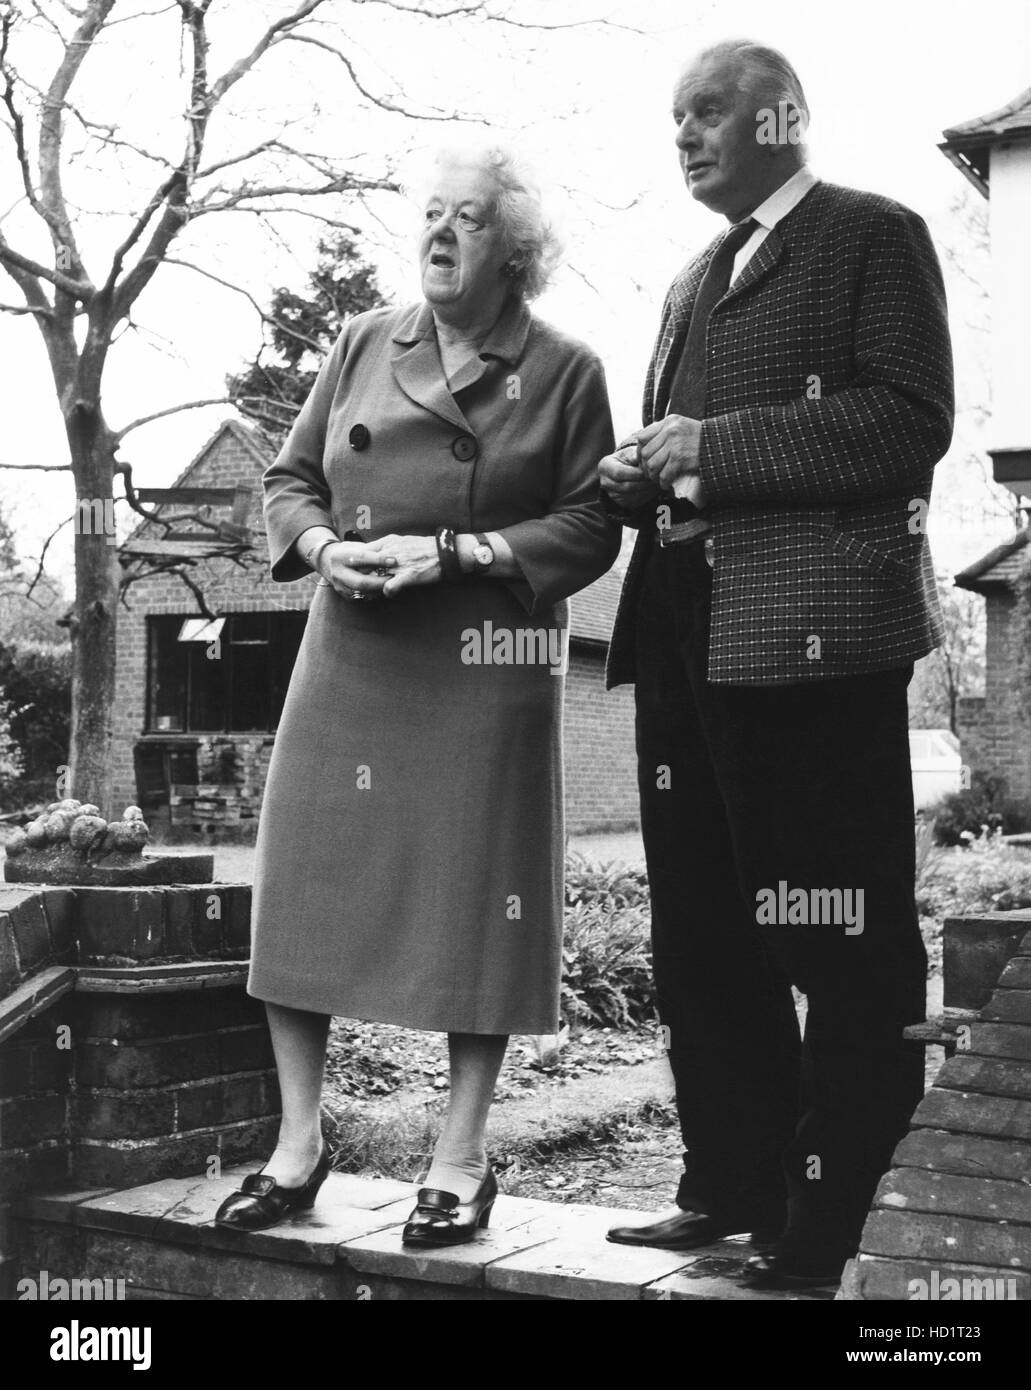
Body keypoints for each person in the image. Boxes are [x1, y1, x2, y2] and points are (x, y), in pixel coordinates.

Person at [214, 142, 620, 1244]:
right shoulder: (357, 343)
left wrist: (465, 551)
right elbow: (288, 476)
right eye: (432, 213)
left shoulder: (565, 369)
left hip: (483, 663)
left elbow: (591, 524)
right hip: (352, 655)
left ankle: (459, 1157)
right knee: (301, 880)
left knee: (472, 896)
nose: (441, 233)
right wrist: (313, 545)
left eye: (471, 218)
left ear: (516, 250)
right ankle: (296, 1146)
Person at [599, 39, 954, 1287]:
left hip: (814, 643)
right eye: (674, 118)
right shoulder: (694, 274)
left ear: (780, 116)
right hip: (684, 624)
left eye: (706, 112)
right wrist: (640, 473)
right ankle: (731, 1184)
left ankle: (831, 1225)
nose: (684, 136)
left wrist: (712, 446)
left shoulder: (870, 233)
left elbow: (911, 420)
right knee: (704, 926)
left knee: (835, 930)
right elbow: (693, 457)